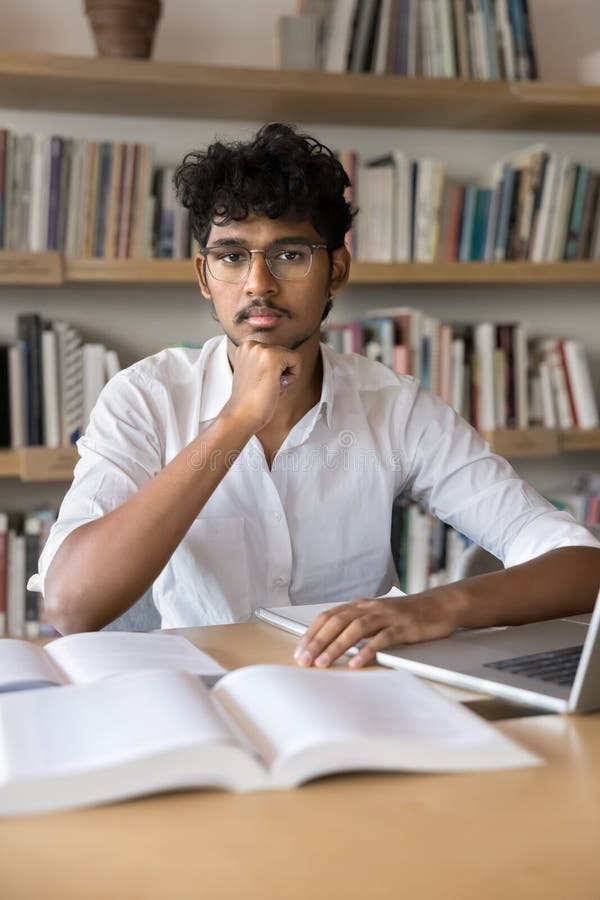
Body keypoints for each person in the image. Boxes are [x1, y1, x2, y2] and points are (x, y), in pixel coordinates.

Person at [40, 123, 600, 668]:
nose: (258, 283)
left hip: (351, 693)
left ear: (336, 270)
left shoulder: (394, 407)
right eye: (232, 256)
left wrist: (437, 606)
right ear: (205, 276)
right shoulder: (146, 397)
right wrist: (236, 419)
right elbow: (73, 606)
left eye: (289, 254)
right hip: (201, 698)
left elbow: (580, 563)